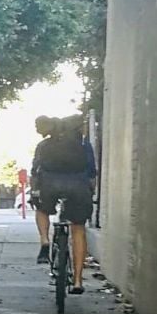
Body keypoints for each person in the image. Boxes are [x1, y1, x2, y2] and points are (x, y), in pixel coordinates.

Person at [30, 114, 96, 294]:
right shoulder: (84, 145)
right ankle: (77, 281)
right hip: (78, 187)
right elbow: (91, 173)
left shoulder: (43, 145)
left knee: (41, 209)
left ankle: (44, 240)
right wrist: (90, 192)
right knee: (78, 229)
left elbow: (35, 170)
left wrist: (35, 191)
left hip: (50, 185)